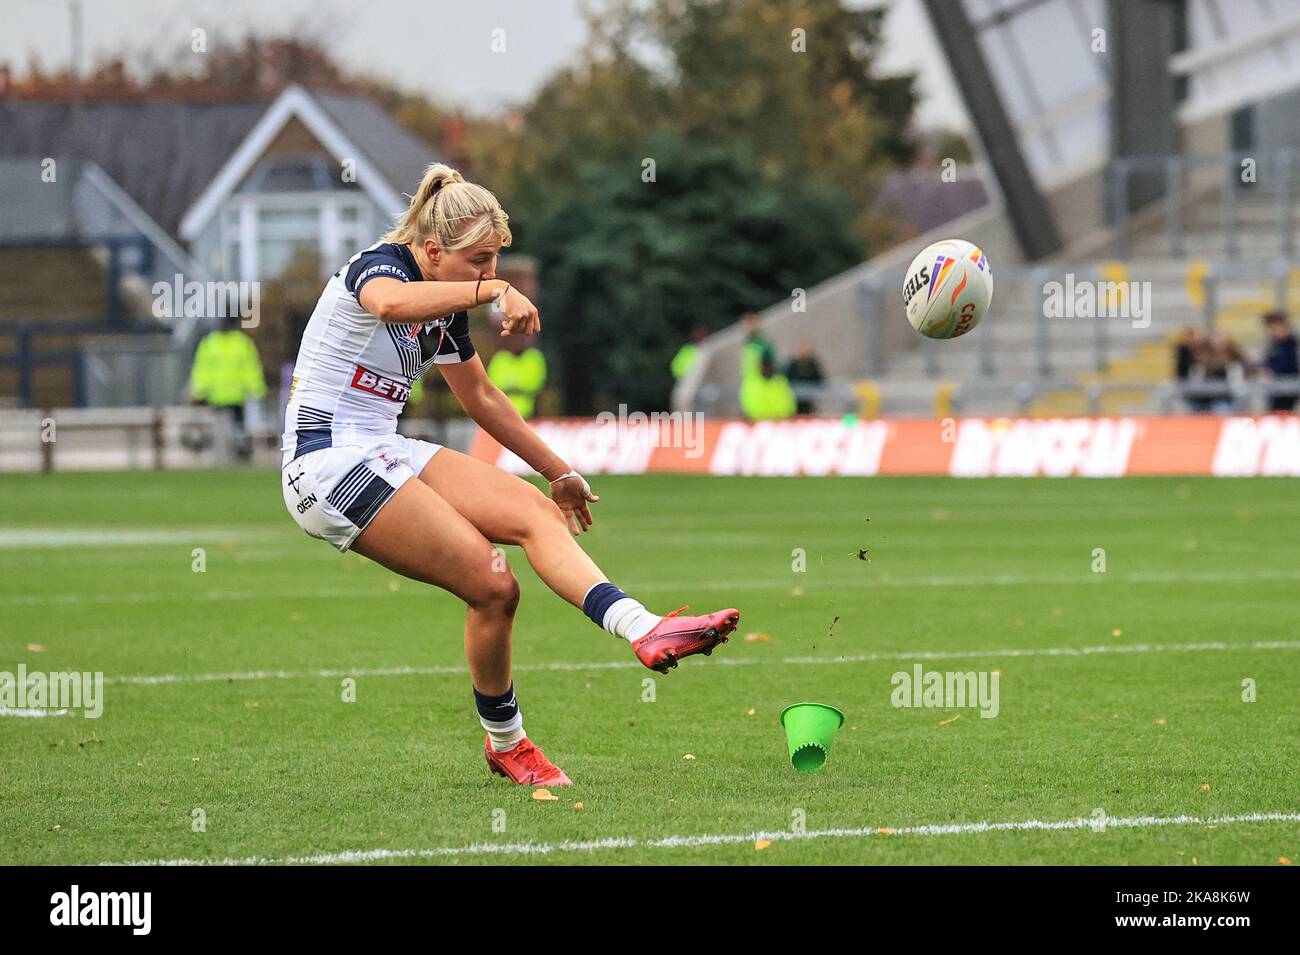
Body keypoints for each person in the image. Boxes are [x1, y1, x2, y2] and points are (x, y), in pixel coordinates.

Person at [279, 163, 740, 787]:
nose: (489, 273)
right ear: (432, 249)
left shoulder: (446, 301)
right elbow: (388, 303)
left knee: (534, 514)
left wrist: (559, 471)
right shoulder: (380, 268)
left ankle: (644, 628)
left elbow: (484, 399)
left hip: (382, 447)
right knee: (494, 586)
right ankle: (508, 743)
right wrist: (489, 293)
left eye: (495, 262)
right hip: (325, 461)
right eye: (479, 260)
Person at [190, 312, 267, 460]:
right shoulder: (240, 342)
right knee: (231, 430)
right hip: (227, 396)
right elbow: (251, 368)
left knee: (232, 430)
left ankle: (233, 455)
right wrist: (257, 389)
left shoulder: (211, 343)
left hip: (224, 396)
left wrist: (199, 392)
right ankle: (230, 455)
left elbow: (202, 370)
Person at [486, 309, 547, 418]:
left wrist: (511, 387)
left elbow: (536, 386)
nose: (517, 341)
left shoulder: (534, 357)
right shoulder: (500, 359)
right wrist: (518, 387)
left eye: (521, 337)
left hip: (530, 413)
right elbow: (493, 388)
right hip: (503, 413)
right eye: (514, 337)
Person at [740, 354, 797, 421]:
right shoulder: (750, 383)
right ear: (760, 367)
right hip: (758, 423)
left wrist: (777, 417)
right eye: (765, 366)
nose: (767, 369)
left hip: (779, 423)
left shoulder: (781, 382)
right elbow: (749, 407)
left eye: (769, 366)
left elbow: (789, 405)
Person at [1260, 312, 1298, 412]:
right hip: (1277, 390)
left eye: (1276, 328)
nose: (1274, 332)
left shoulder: (1295, 344)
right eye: (1271, 329)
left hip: (1295, 388)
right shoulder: (1271, 345)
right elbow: (1266, 365)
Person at [784, 338, 825, 415]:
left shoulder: (813, 365)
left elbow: (820, 380)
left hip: (809, 402)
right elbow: (787, 378)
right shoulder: (792, 364)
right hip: (794, 401)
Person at [739, 313, 776, 379]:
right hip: (750, 386)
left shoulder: (764, 346)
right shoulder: (747, 345)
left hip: (762, 386)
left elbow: (770, 369)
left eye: (750, 324)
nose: (747, 327)